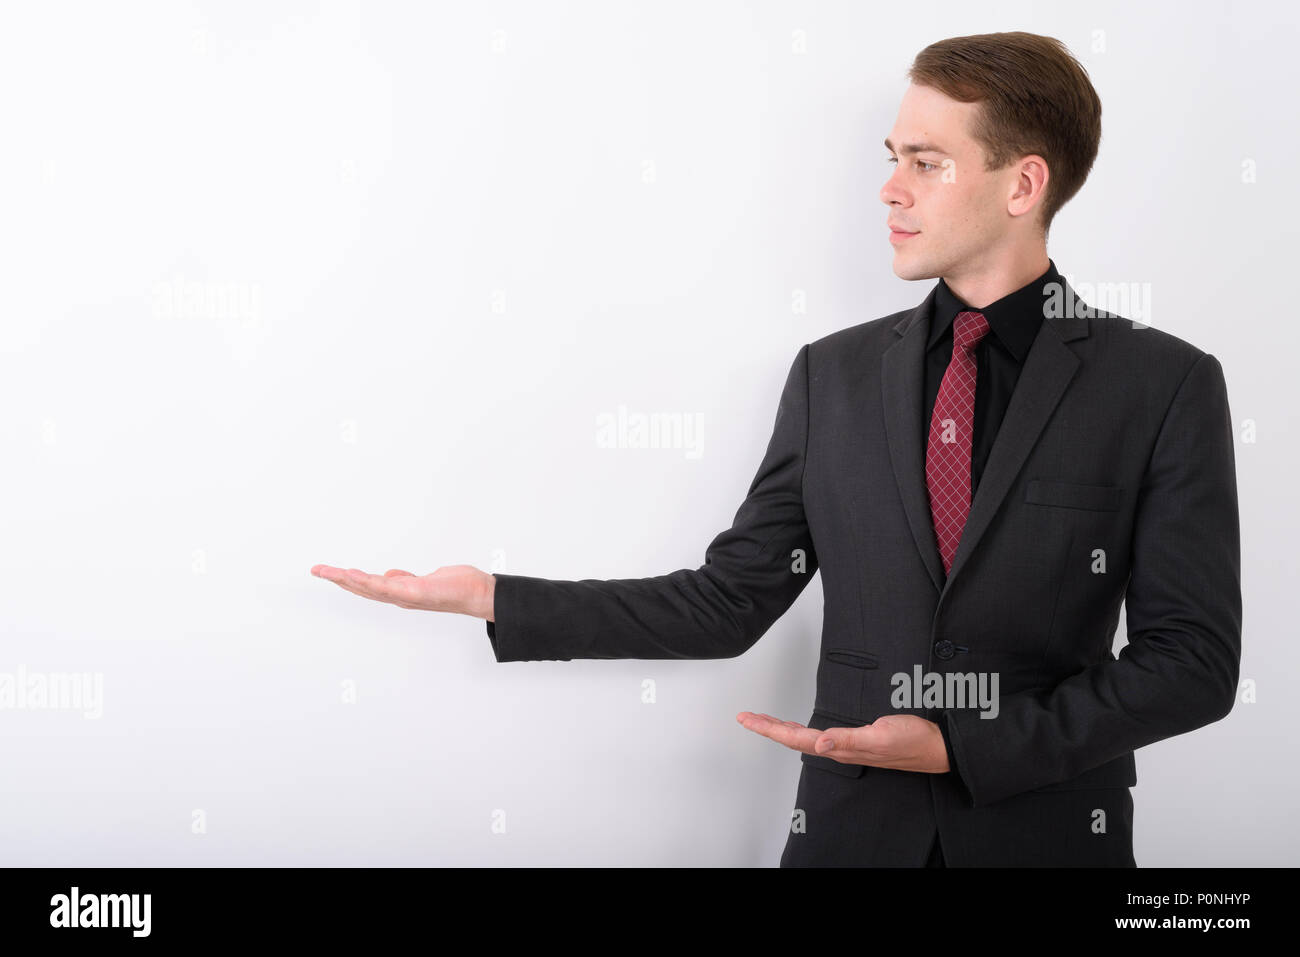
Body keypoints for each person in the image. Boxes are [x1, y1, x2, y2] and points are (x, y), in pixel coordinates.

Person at [312, 31, 1241, 867]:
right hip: (849, 838)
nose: (889, 187)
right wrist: (497, 596)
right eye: (893, 158)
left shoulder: (1161, 384)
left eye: (926, 161)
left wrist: (967, 746)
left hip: (1045, 841)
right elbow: (731, 601)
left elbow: (1191, 663)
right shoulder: (831, 376)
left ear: (1023, 184)